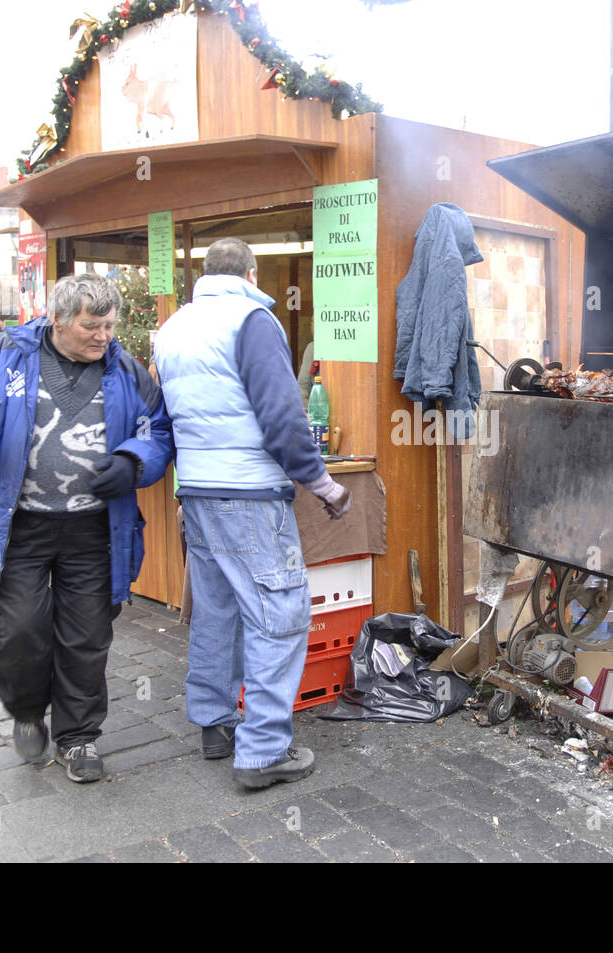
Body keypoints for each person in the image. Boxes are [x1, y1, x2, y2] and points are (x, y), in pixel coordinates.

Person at [0, 273, 173, 783]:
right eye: (90, 325)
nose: (103, 335)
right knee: (16, 633)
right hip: (15, 529)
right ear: (57, 321)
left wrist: (134, 461)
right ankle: (28, 710)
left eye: (109, 324)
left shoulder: (126, 370)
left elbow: (159, 431)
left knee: (86, 637)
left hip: (93, 530)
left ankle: (78, 736)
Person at [154, 237, 350, 790]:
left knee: (216, 610)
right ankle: (263, 751)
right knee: (278, 614)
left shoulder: (175, 328)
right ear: (251, 271)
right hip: (249, 493)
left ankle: (216, 726)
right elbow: (282, 414)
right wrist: (322, 483)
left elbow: (165, 411)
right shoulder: (252, 319)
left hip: (195, 490)